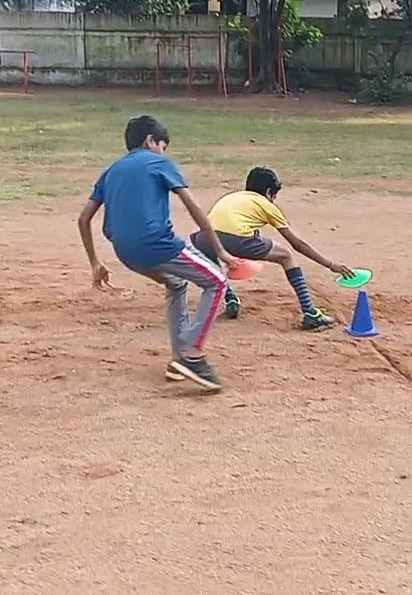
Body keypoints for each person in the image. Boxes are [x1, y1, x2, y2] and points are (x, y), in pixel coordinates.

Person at [77, 115, 242, 391]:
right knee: (217, 281)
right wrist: (221, 251)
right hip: (157, 244)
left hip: (124, 251)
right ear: (150, 141)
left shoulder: (111, 170)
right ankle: (192, 354)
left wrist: (95, 262)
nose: (164, 152)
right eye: (162, 145)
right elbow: (194, 208)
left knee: (176, 284)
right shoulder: (159, 162)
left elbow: (84, 219)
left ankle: (179, 356)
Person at [191, 166, 354, 330]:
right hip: (238, 239)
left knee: (212, 255)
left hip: (203, 238)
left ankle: (230, 297)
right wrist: (331, 265)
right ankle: (310, 312)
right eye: (274, 196)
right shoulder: (266, 204)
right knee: (286, 256)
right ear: (269, 192)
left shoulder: (232, 196)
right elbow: (298, 244)